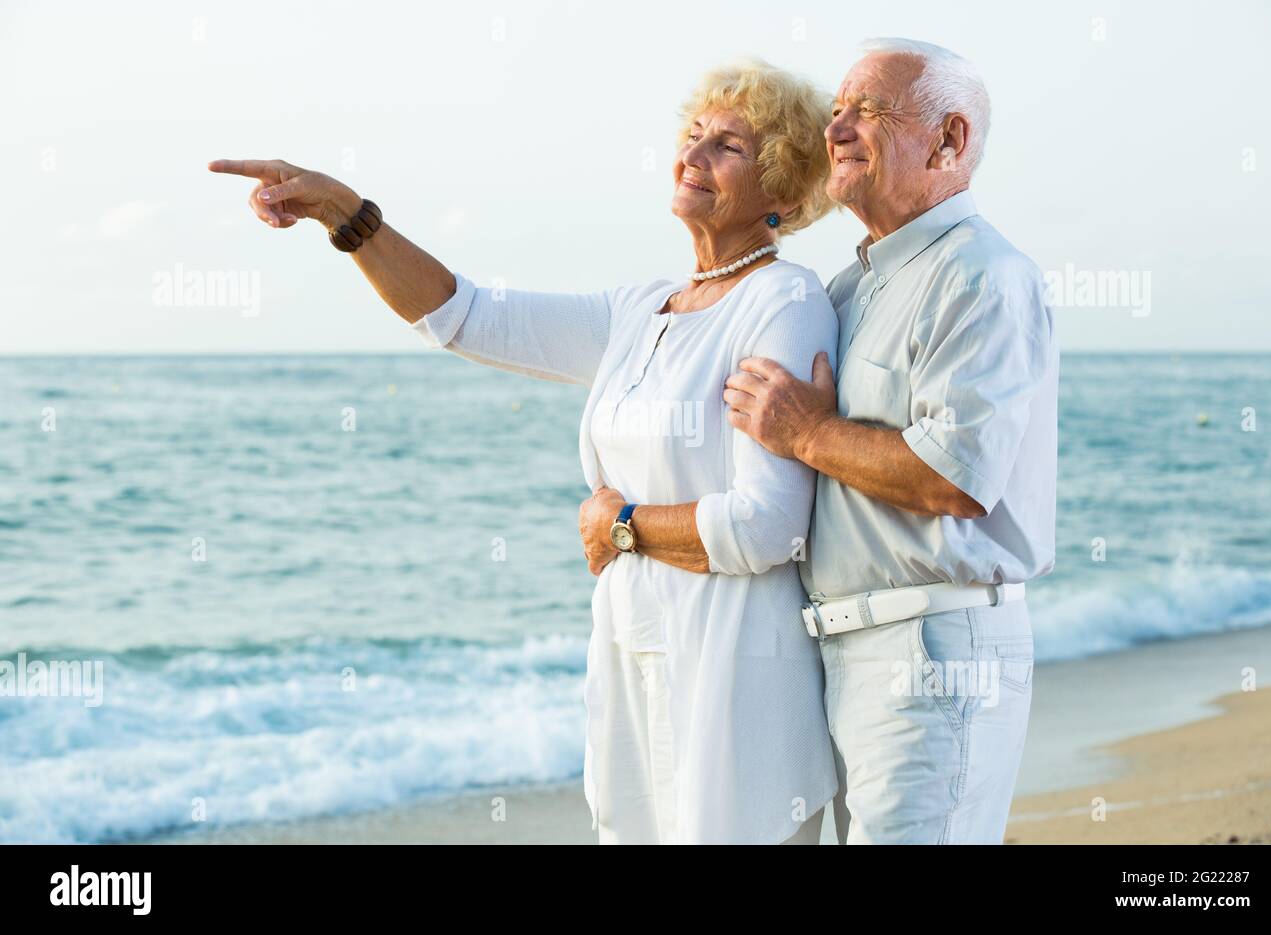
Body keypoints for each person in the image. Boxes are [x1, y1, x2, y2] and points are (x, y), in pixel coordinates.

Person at [209, 58, 841, 844]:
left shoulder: (784, 301)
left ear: (781, 191)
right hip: (634, 664)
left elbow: (769, 523)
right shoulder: (641, 309)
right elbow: (466, 314)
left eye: (729, 147)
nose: (694, 155)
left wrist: (622, 524)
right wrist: (343, 212)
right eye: (692, 135)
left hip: (734, 677)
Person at [723, 38, 1059, 844]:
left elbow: (956, 475)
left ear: (950, 140)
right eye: (836, 110)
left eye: (866, 111)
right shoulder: (845, 289)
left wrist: (807, 431)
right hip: (843, 653)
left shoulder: (983, 274)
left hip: (934, 647)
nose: (835, 129)